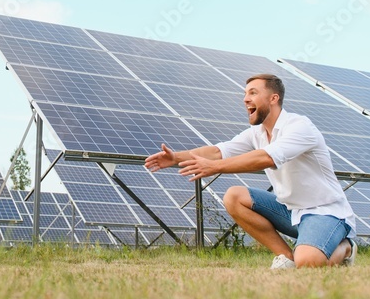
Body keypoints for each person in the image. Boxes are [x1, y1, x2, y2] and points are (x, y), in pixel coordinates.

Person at [145, 73, 356, 269]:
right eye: (245, 94)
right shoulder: (256, 133)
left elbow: (265, 158)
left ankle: (346, 247)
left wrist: (215, 168)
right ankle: (287, 257)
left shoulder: (300, 126)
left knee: (308, 262)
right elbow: (219, 151)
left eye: (253, 93)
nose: (245, 99)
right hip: (290, 211)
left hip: (324, 212)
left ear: (273, 98)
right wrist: (176, 158)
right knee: (234, 196)